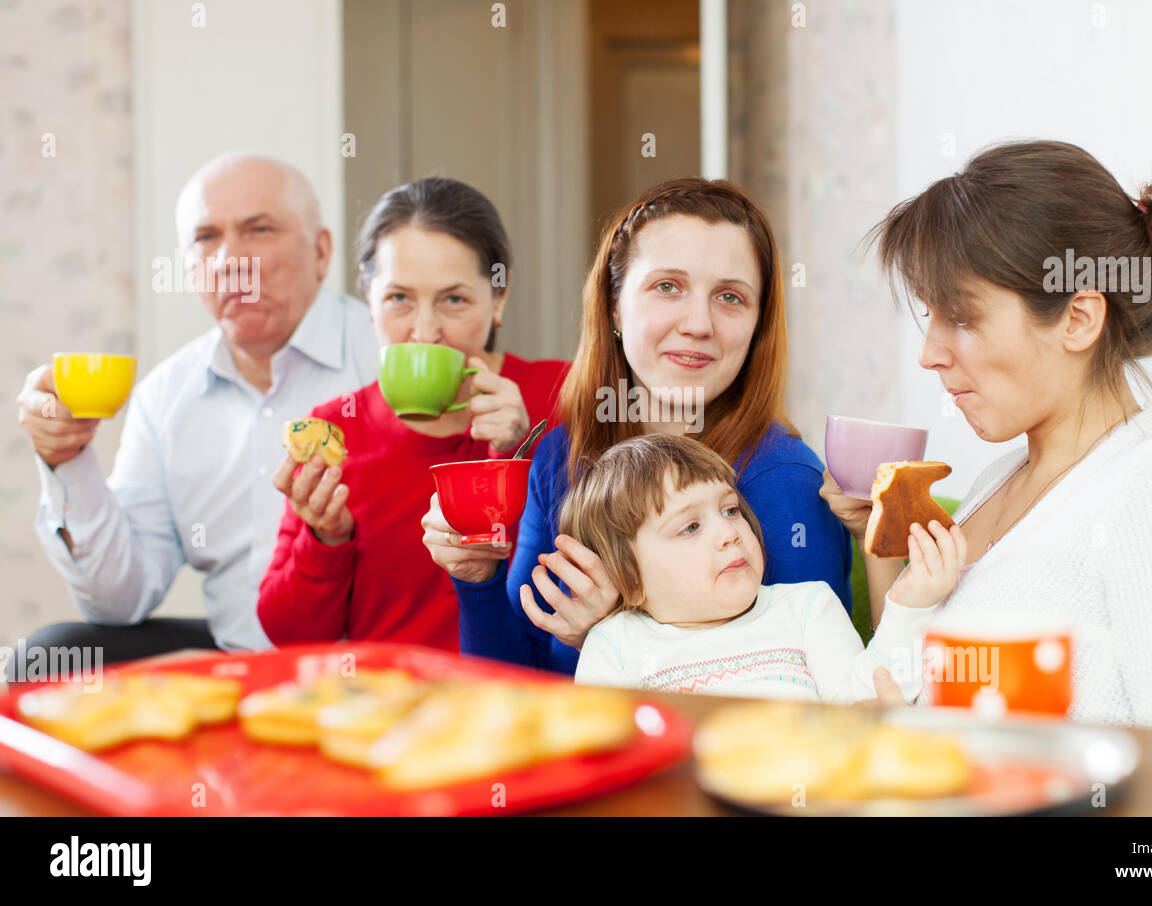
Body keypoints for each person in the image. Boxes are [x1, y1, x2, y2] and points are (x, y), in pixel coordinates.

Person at [822, 140, 1152, 734]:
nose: (929, 354)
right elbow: (921, 690)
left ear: (1078, 318)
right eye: (930, 316)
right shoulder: (998, 480)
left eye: (961, 318)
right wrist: (876, 544)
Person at [424, 177, 854, 674]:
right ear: (614, 305)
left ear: (758, 324)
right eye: (667, 286)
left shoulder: (784, 481)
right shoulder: (558, 457)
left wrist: (605, 636)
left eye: (730, 297)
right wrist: (476, 581)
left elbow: (801, 702)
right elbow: (511, 684)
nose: (698, 323)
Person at [14, 152, 379, 663]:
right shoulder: (166, 396)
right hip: (234, 661)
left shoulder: (384, 355)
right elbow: (121, 598)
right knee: (48, 656)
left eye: (259, 229)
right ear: (187, 265)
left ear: (320, 252)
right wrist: (65, 459)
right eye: (206, 238)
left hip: (366, 661)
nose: (231, 259)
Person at [257, 177, 568, 649]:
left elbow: (597, 601)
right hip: (385, 704)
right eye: (399, 298)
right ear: (369, 300)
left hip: (514, 705)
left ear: (498, 300)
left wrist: (525, 458)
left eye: (454, 299)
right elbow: (290, 634)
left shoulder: (562, 398)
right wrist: (327, 540)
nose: (425, 332)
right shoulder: (335, 429)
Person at [568, 434, 936, 702]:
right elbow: (601, 761)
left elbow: (868, 705)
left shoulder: (806, 607)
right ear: (630, 582)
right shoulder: (613, 645)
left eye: (730, 510)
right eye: (690, 527)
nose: (728, 532)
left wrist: (909, 606)